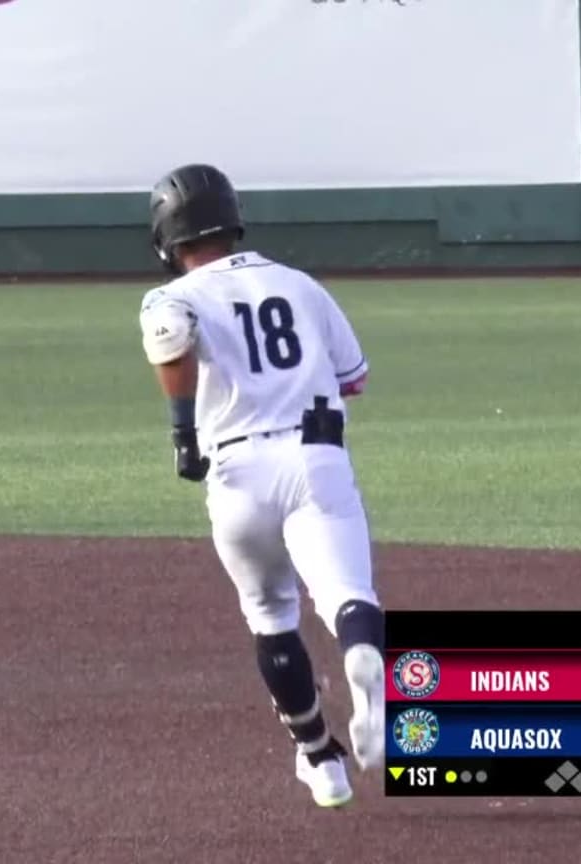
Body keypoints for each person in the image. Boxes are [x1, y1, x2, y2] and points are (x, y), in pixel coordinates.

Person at [136, 163, 386, 807]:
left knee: (272, 616)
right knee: (348, 597)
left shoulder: (176, 298)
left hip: (237, 476)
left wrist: (182, 434)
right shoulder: (299, 284)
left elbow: (169, 341)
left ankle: (319, 761)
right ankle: (362, 658)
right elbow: (354, 376)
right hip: (317, 459)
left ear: (168, 238)